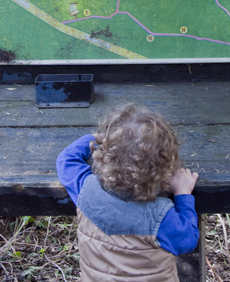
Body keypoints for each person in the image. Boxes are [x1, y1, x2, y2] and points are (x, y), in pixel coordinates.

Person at [56, 104, 200, 282]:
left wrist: (95, 138)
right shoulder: (160, 218)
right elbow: (188, 239)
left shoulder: (86, 189)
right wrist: (183, 193)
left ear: (106, 155)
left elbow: (66, 159)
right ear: (164, 170)